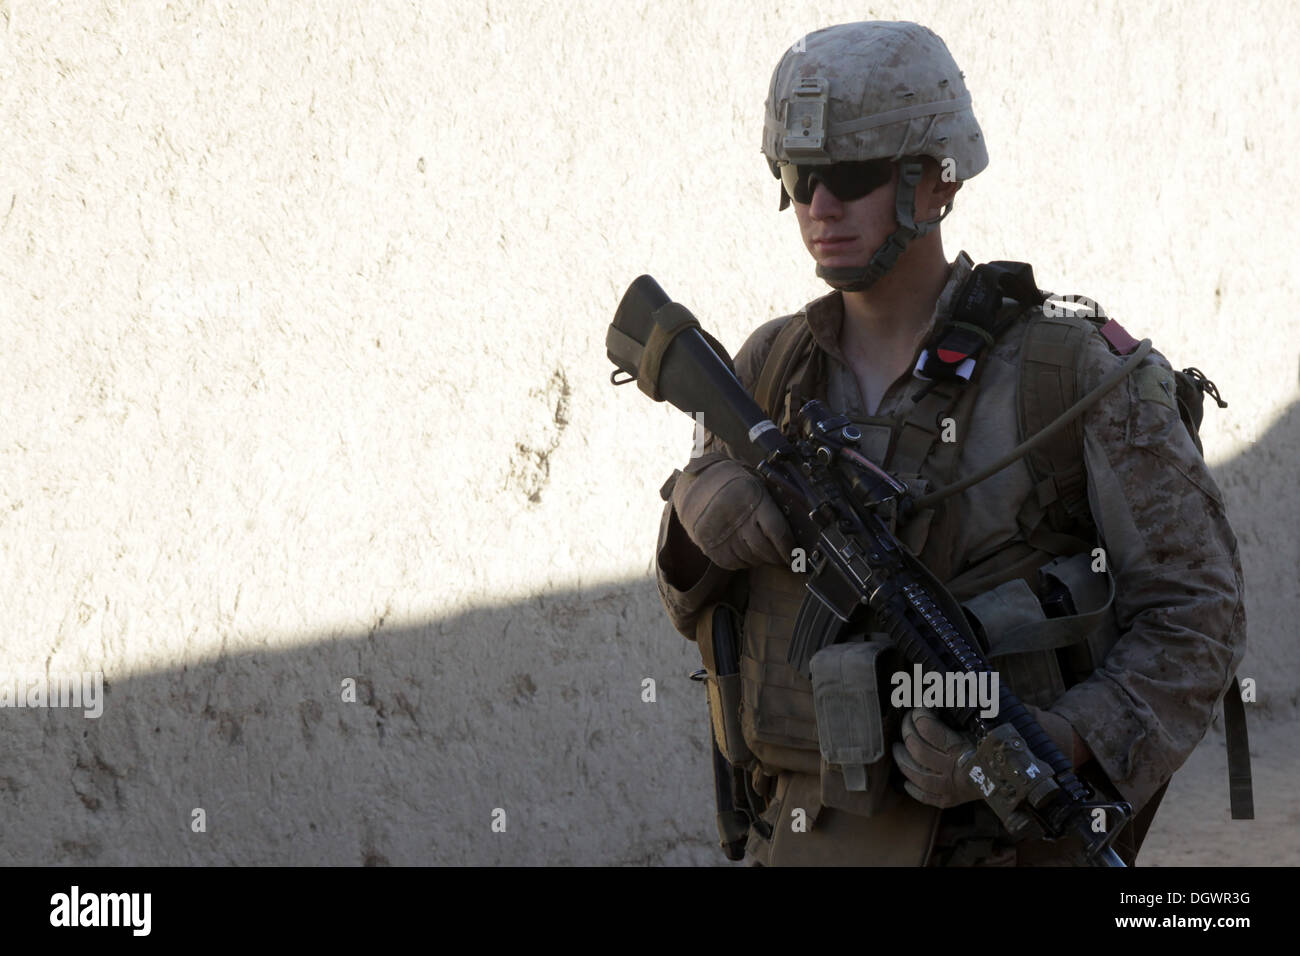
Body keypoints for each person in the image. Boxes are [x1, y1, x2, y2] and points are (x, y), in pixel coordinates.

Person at [652, 20, 1246, 866]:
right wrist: (692, 514)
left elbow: (1199, 617)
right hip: (799, 839)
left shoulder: (1072, 376)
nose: (820, 207)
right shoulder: (769, 369)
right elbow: (691, 611)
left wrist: (1062, 737)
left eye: (852, 177)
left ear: (936, 181)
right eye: (801, 175)